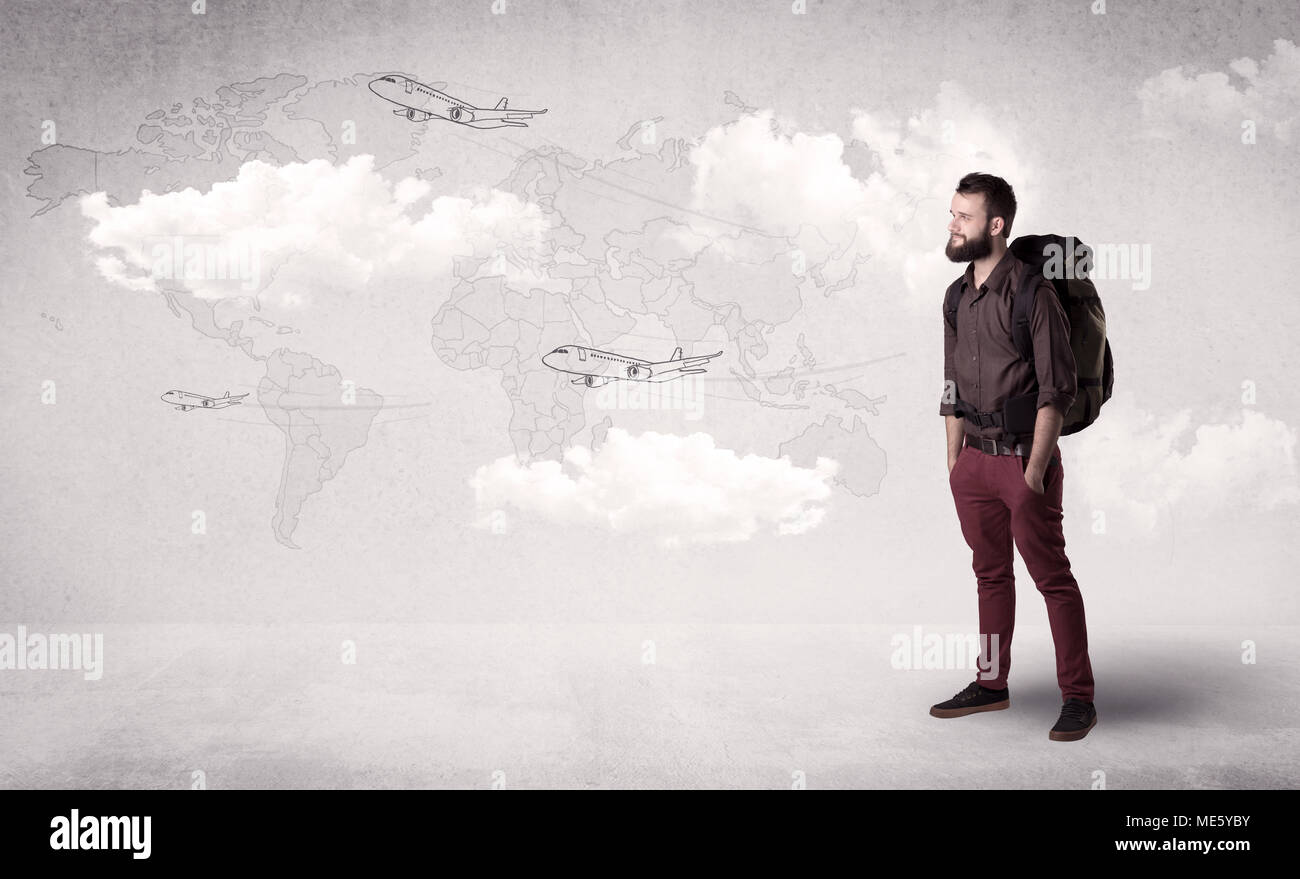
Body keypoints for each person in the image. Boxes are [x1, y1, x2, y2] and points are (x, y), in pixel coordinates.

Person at [931, 172, 1097, 742]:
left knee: (1052, 578)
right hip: (973, 463)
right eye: (952, 213)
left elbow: (1058, 389)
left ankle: (1078, 697)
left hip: (1024, 461)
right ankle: (991, 682)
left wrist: (1032, 472)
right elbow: (951, 382)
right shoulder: (956, 296)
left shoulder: (1033, 293)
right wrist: (954, 460)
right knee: (989, 574)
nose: (951, 224)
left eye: (963, 216)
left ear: (995, 226)